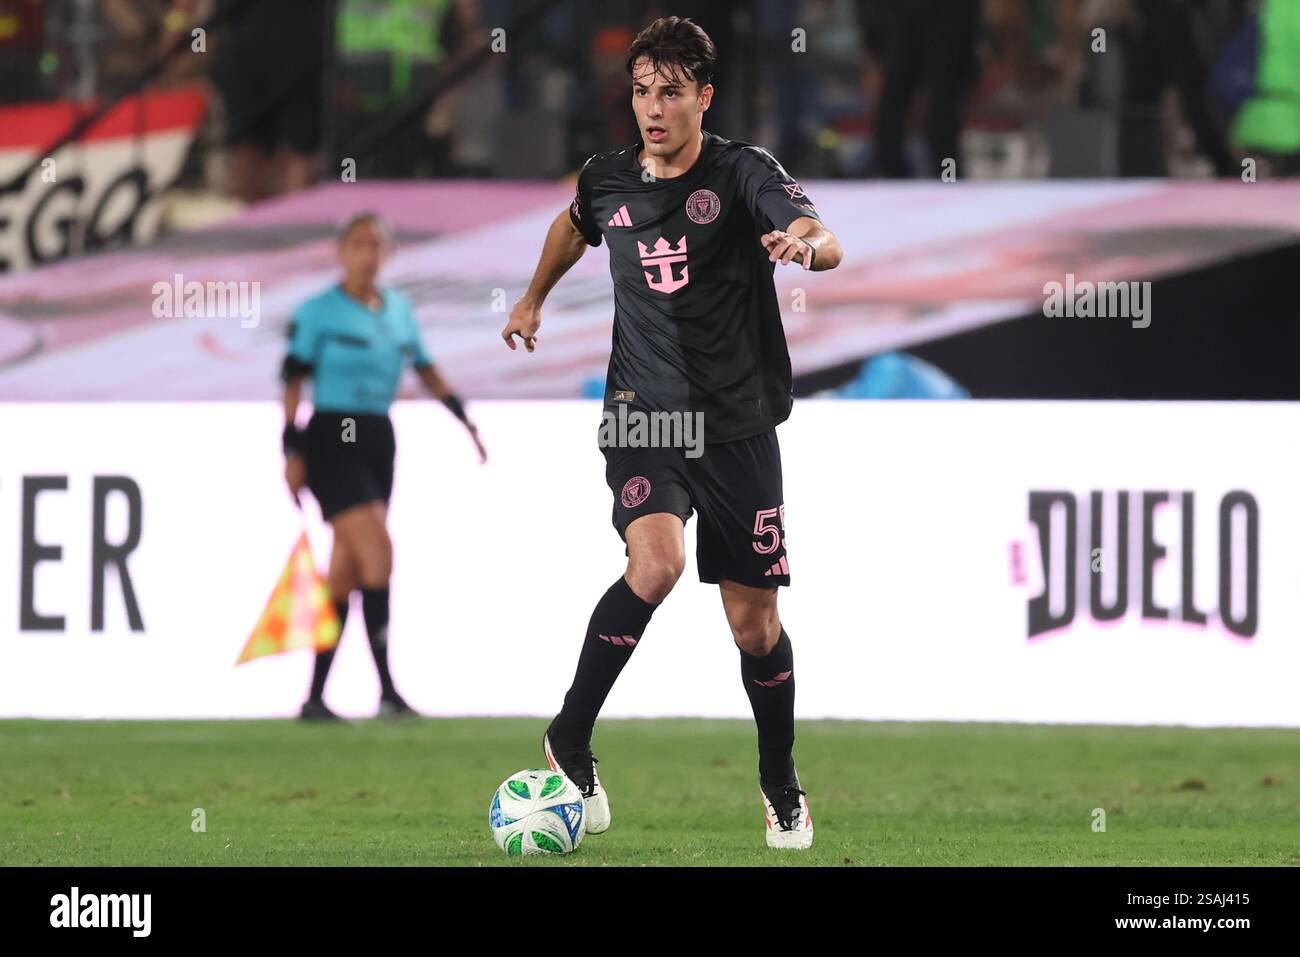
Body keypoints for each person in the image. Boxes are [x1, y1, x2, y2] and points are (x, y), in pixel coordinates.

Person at [501, 16, 842, 849]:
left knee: (753, 625)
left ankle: (778, 782)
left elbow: (821, 236)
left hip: (737, 425)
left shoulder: (742, 172)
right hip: (645, 412)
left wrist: (803, 245)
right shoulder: (607, 180)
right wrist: (533, 295)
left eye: (671, 93)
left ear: (704, 97)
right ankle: (569, 738)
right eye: (643, 91)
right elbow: (571, 225)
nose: (653, 108)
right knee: (654, 561)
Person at [283, 212, 486, 721]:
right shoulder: (318, 312)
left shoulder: (398, 311)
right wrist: (291, 449)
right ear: (342, 251)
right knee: (378, 550)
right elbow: (292, 380)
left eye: (375, 245)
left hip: (377, 436)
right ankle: (389, 690)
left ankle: (315, 697)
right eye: (357, 244)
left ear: (387, 253)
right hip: (331, 436)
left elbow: (425, 367)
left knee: (347, 571)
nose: (367, 254)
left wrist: (466, 421)